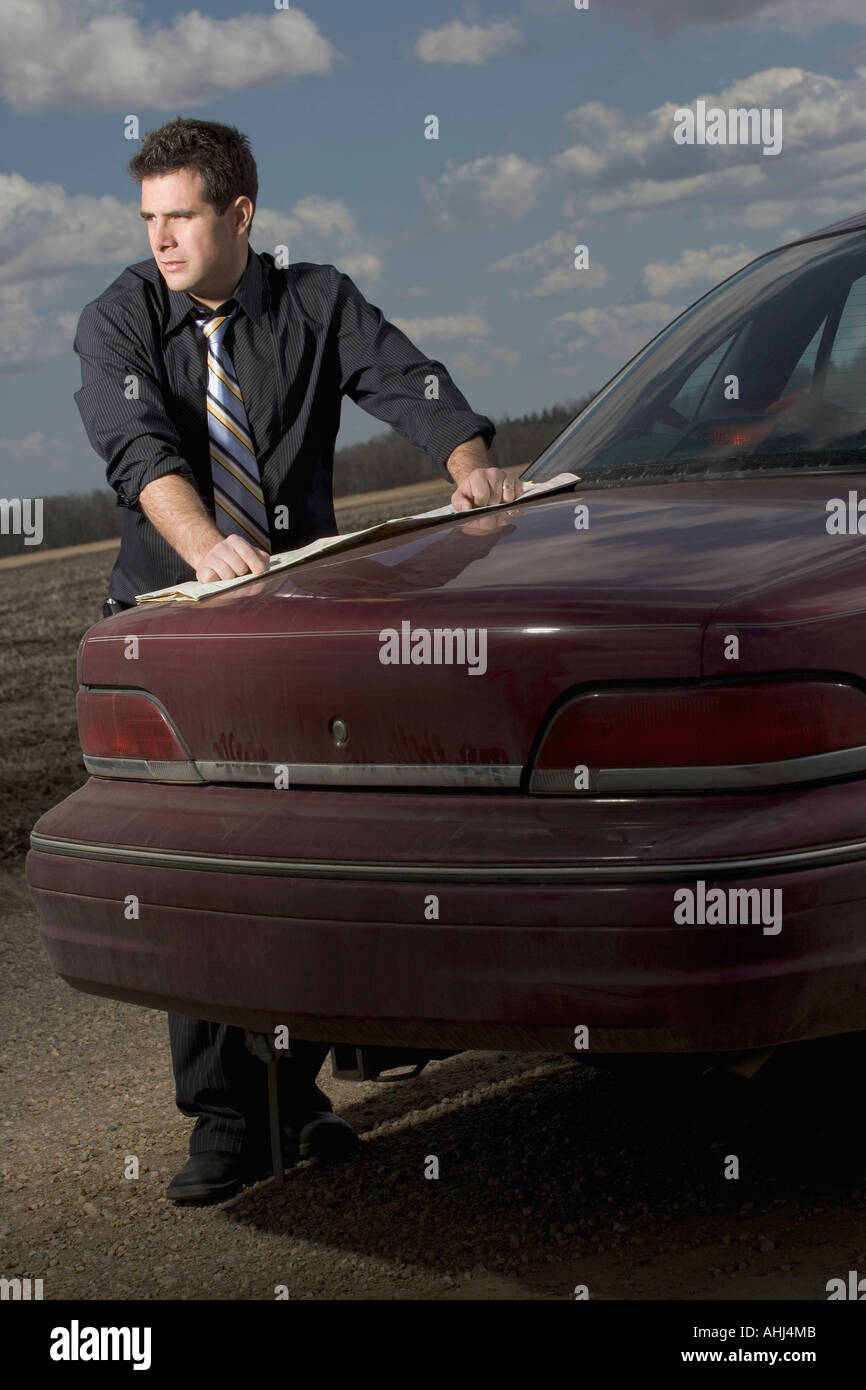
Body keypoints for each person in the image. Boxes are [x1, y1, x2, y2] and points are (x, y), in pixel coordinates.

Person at [72, 116, 523, 1204]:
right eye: (148, 218)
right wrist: (205, 549)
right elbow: (139, 452)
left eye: (181, 215)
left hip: (290, 623)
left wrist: (468, 464)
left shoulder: (317, 302)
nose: (160, 239)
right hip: (171, 621)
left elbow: (410, 383)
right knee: (198, 864)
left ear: (240, 214)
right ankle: (226, 1122)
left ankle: (291, 1094)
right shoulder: (118, 318)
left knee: (299, 851)